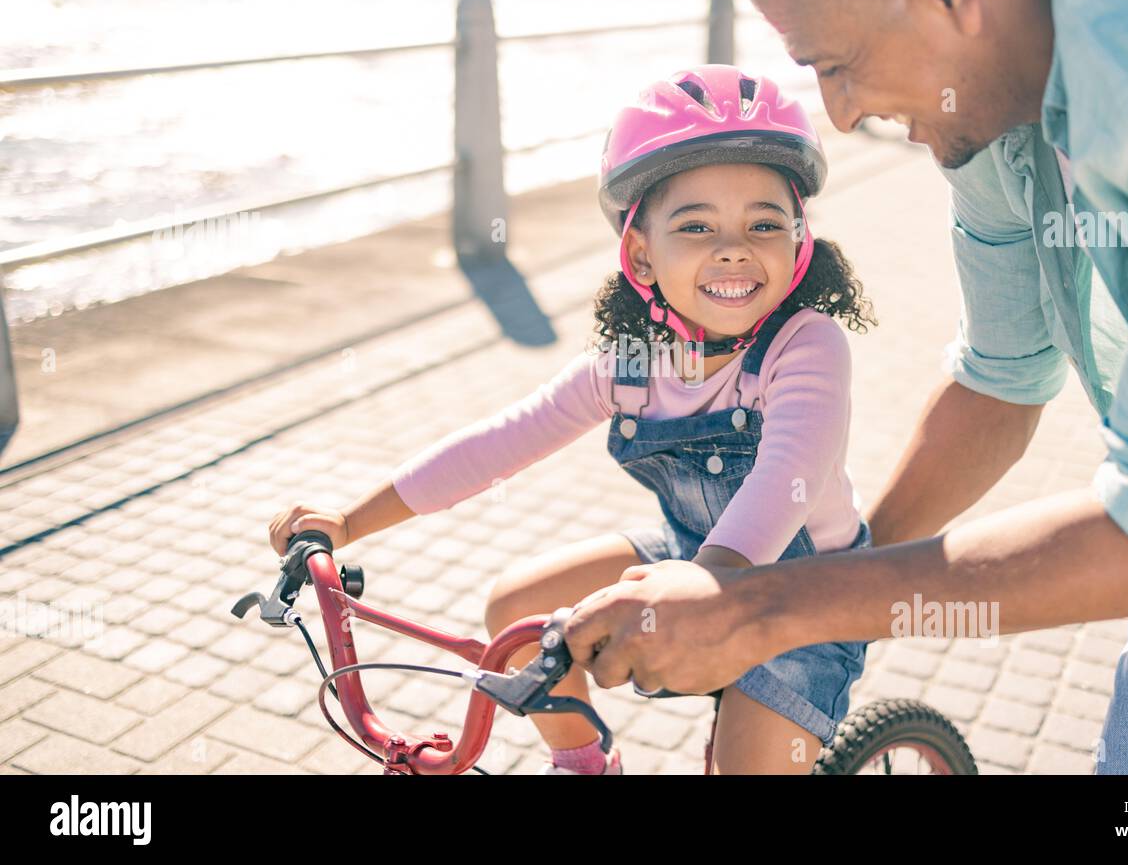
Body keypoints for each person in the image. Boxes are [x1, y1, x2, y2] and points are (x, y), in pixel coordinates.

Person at [563, 0, 1128, 774]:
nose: (840, 117)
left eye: (836, 67)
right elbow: (1002, 381)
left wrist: (762, 611)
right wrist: (807, 618)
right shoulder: (989, 106)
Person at [268, 65, 879, 774]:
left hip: (807, 600)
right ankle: (586, 763)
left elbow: (787, 477)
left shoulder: (807, 344)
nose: (734, 246)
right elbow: (500, 442)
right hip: (690, 559)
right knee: (516, 607)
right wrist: (348, 521)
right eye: (697, 225)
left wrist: (697, 592)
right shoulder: (630, 364)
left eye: (765, 223)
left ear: (800, 240)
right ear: (642, 255)